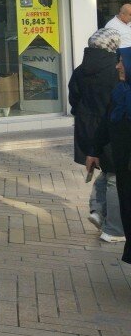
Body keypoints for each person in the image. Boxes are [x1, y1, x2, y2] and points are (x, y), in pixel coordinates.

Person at [69, 28, 123, 242]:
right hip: (110, 130)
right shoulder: (117, 68)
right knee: (115, 176)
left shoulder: (80, 69)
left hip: (87, 129)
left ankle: (98, 211)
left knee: (108, 170)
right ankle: (114, 229)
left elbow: (74, 99)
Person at [88, 48, 131, 266]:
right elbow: (106, 123)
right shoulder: (120, 92)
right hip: (125, 169)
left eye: (122, 62)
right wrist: (94, 150)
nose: (117, 66)